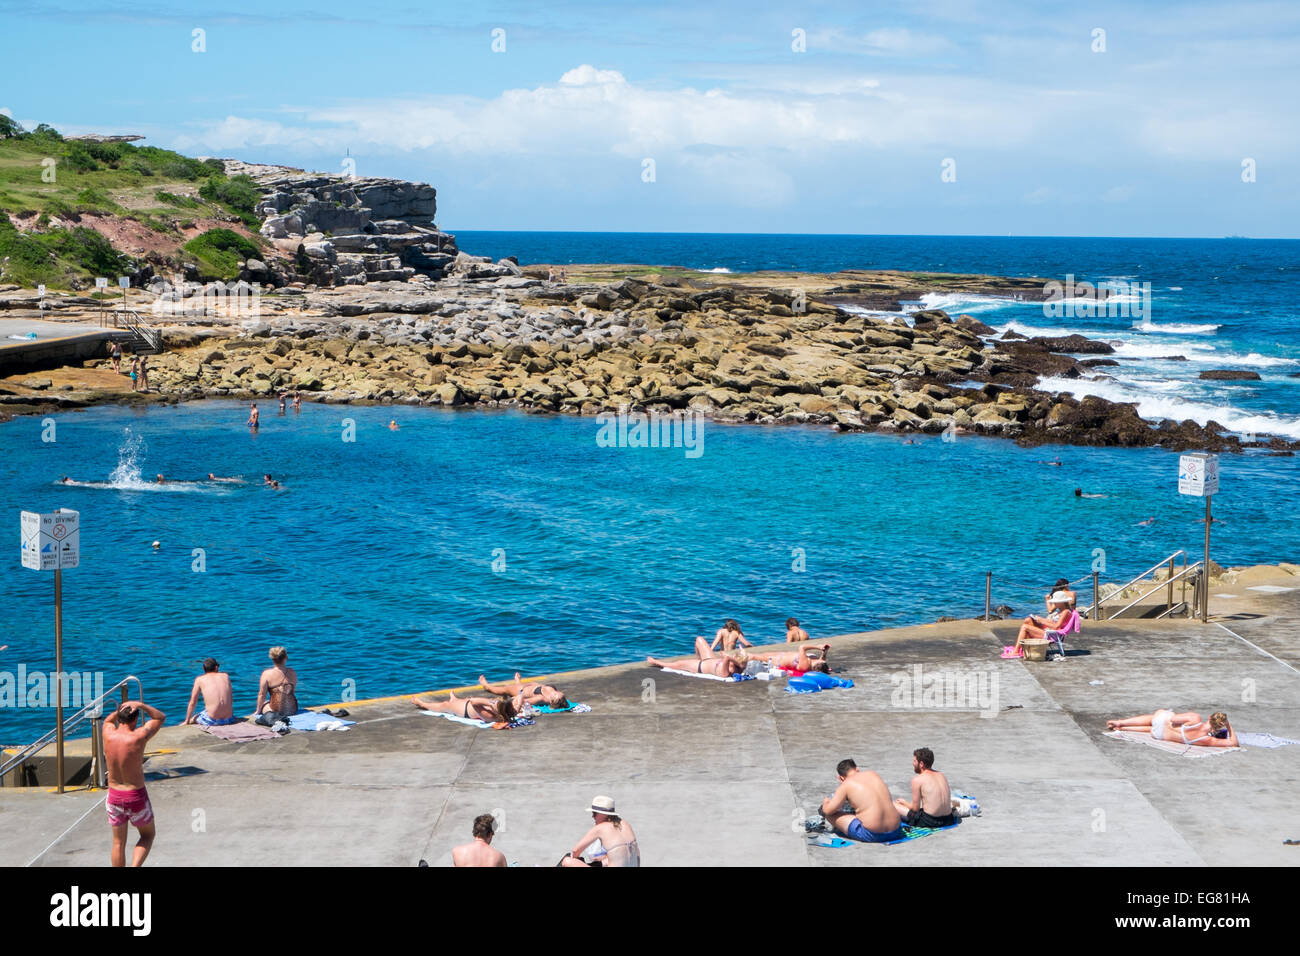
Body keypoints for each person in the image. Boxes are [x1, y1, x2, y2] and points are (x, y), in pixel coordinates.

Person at [103, 700, 166, 866]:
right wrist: (141, 705)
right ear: (135, 720)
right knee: (147, 835)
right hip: (135, 796)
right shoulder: (138, 736)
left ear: (119, 718)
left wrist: (119, 710)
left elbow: (107, 721)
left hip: (114, 796)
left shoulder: (107, 733)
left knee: (118, 843)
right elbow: (160, 717)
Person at [820, 759, 903, 843]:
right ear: (857, 769)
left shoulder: (846, 784)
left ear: (841, 778)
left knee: (828, 813)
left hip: (873, 835)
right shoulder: (873, 774)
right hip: (896, 831)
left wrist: (826, 801)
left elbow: (828, 811)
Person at [560, 795, 640, 867]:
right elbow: (636, 855)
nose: (592, 816)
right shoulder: (626, 824)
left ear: (603, 814)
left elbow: (575, 852)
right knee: (606, 860)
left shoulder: (600, 828)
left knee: (567, 861)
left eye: (594, 813)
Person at [893, 747, 955, 829]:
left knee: (892, 804)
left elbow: (915, 809)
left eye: (914, 761)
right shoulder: (941, 775)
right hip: (948, 819)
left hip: (930, 821)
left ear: (921, 764)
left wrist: (904, 803)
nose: (913, 763)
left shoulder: (917, 780)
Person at [1107, 710, 1238, 747]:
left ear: (1209, 717)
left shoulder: (1195, 718)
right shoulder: (1206, 740)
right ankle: (1123, 728)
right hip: (1158, 735)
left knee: (1161, 717)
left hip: (1162, 723)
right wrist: (1228, 725)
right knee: (1154, 728)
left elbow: (1173, 720)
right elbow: (1233, 743)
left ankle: (1120, 722)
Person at [1004, 592, 1072, 658]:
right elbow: (1053, 622)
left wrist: (1042, 621)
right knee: (1028, 620)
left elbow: (1057, 626)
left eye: (1055, 602)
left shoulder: (1065, 612)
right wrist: (1040, 619)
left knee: (1025, 627)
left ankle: (1016, 651)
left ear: (1062, 602)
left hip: (1052, 635)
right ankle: (1023, 647)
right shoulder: (1061, 611)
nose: (1054, 603)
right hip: (1049, 631)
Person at [646, 638, 745, 678]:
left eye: (735, 657)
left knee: (678, 664)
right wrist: (739, 653)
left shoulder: (726, 672)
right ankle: (698, 657)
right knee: (699, 639)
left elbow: (728, 659)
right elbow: (739, 660)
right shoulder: (736, 666)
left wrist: (730, 658)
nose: (734, 656)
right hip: (709, 658)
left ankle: (657, 662)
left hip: (700, 666)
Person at [411, 690, 519, 725]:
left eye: (496, 702)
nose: (495, 701)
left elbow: (474, 702)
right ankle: (454, 699)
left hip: (463, 710)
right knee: (461, 700)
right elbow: (520, 698)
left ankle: (422, 704)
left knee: (445, 705)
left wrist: (490, 702)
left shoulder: (490, 716)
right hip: (466, 704)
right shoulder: (510, 711)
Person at [184, 658, 236, 726]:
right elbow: (231, 699)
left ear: (204, 668)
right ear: (216, 667)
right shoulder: (225, 676)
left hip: (212, 721)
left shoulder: (199, 679)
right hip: (229, 719)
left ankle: (187, 721)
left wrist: (187, 721)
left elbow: (193, 702)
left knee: (194, 718)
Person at [479, 672, 569, 709]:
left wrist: (515, 698)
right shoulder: (554, 693)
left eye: (555, 695)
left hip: (521, 691)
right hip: (529, 686)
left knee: (504, 688)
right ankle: (518, 681)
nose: (555, 693)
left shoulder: (541, 699)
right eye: (557, 693)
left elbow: (524, 701)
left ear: (551, 701)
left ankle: (486, 686)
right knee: (518, 685)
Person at [253, 646, 299, 717]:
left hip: (276, 712)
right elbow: (292, 692)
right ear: (285, 658)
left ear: (272, 659)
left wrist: (258, 710)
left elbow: (262, 694)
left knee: (264, 704)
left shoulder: (266, 674)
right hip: (292, 710)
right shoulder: (292, 672)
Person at [747, 643, 831, 673]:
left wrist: (818, 647)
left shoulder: (805, 665)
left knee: (755, 657)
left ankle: (743, 656)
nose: (822, 660)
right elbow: (822, 660)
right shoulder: (813, 663)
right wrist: (825, 652)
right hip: (781, 656)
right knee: (762, 655)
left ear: (818, 663)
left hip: (778, 660)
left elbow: (802, 647)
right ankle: (745, 655)